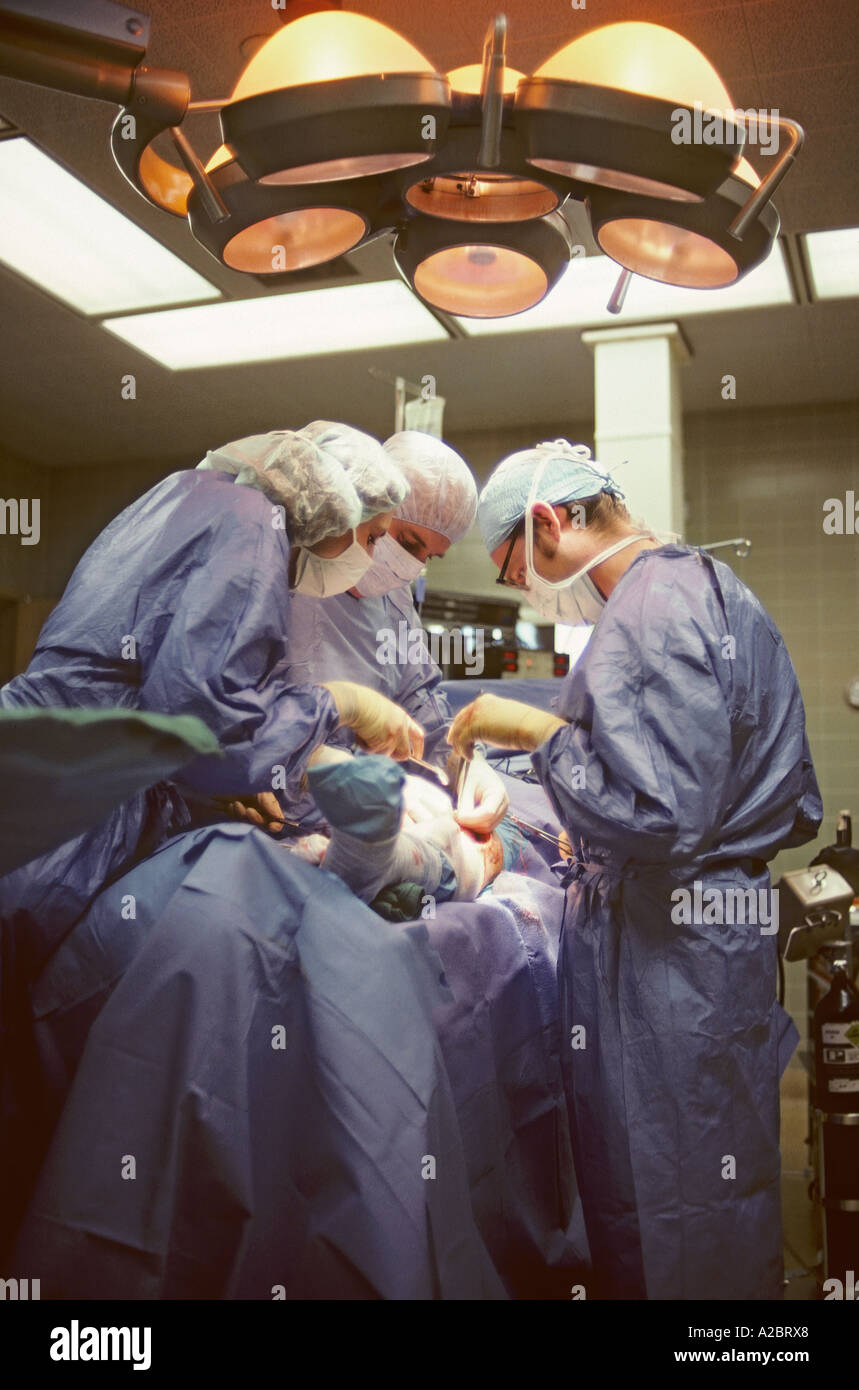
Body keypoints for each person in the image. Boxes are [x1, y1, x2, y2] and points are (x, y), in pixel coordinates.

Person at [447, 438, 823, 1300]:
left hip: (669, 957)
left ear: (546, 525)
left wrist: (542, 736)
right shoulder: (705, 585)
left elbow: (658, 812)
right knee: (718, 1190)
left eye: (515, 574)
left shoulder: (647, 609)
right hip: (705, 945)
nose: (528, 594)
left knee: (672, 1202)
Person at [282, 430, 509, 834]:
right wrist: (326, 769)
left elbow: (418, 700)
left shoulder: (394, 598)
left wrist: (464, 766)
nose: (411, 565)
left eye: (429, 556)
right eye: (405, 541)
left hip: (356, 822)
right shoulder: (284, 577)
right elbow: (235, 721)